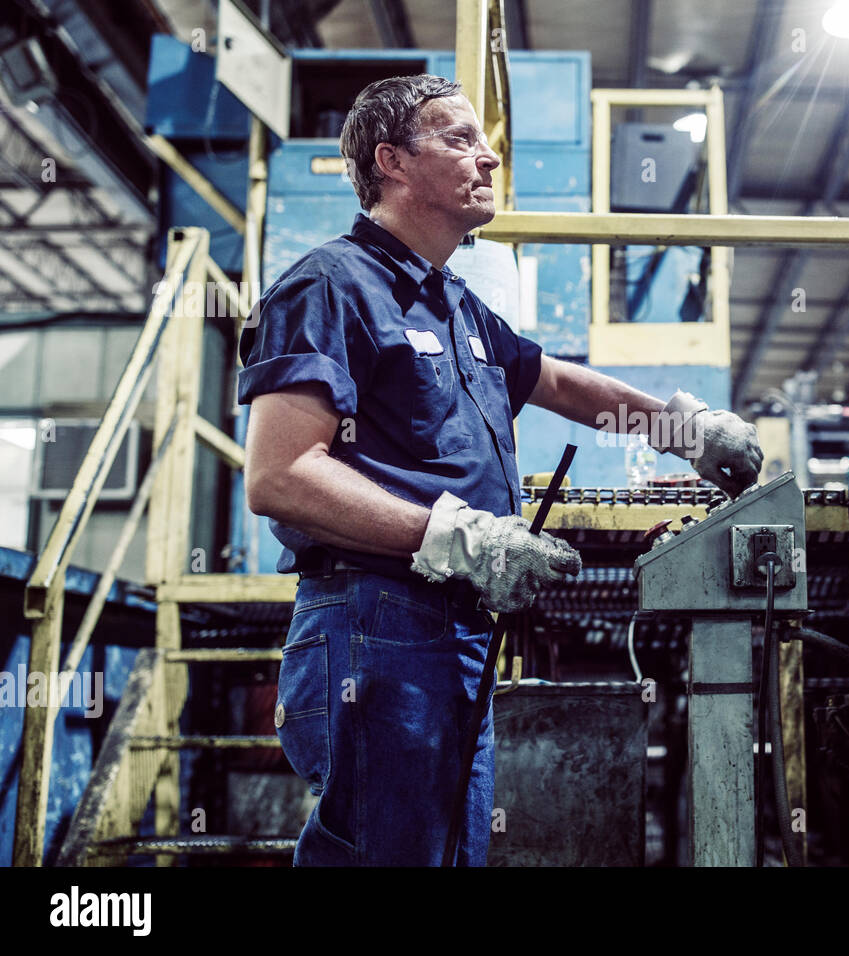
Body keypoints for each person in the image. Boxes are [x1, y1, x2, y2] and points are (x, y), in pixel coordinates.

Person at [237, 74, 763, 866]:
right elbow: (279, 476)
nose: (487, 160)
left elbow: (558, 382)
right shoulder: (329, 285)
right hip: (375, 625)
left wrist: (682, 427)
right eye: (459, 140)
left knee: (448, 853)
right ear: (392, 162)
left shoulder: (455, 307)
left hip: (452, 626)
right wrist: (457, 538)